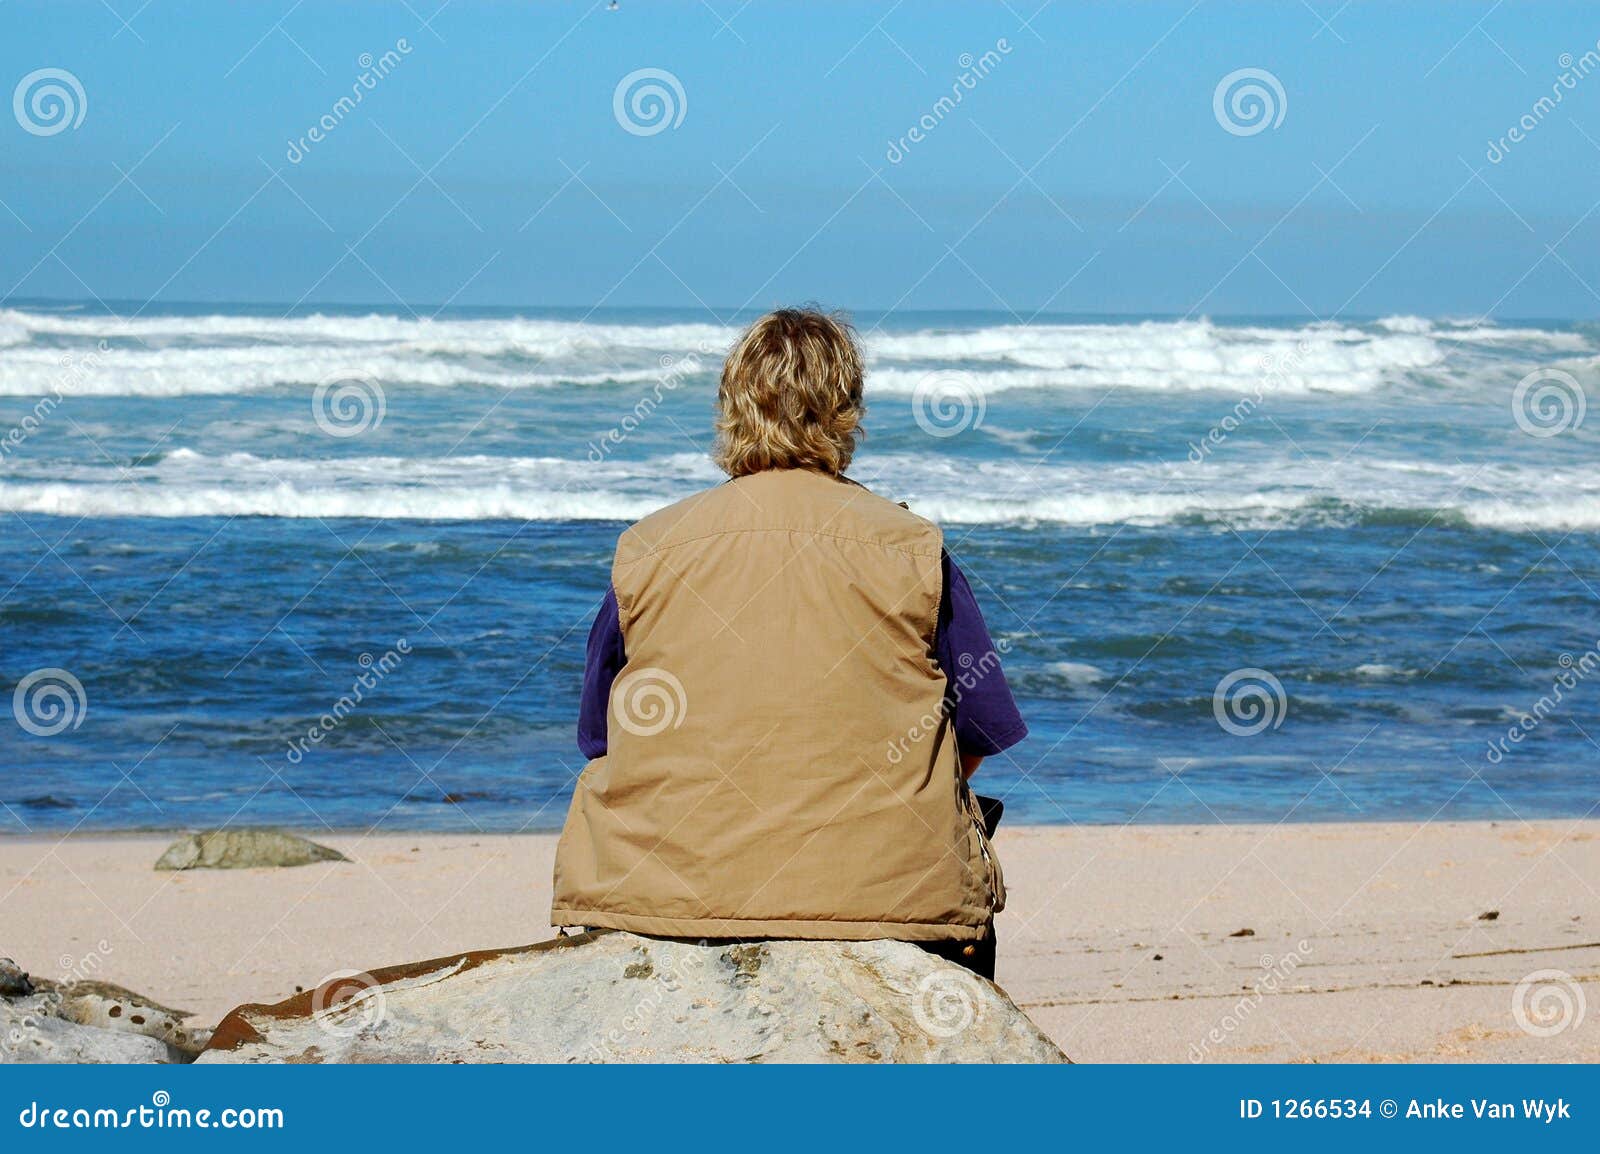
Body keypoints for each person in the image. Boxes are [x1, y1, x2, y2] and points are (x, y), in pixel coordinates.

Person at [551, 307, 1027, 979]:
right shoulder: (910, 546)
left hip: (669, 893)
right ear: (847, 410)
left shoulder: (648, 547)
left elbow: (602, 740)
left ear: (732, 405)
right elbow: (982, 729)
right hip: (889, 893)